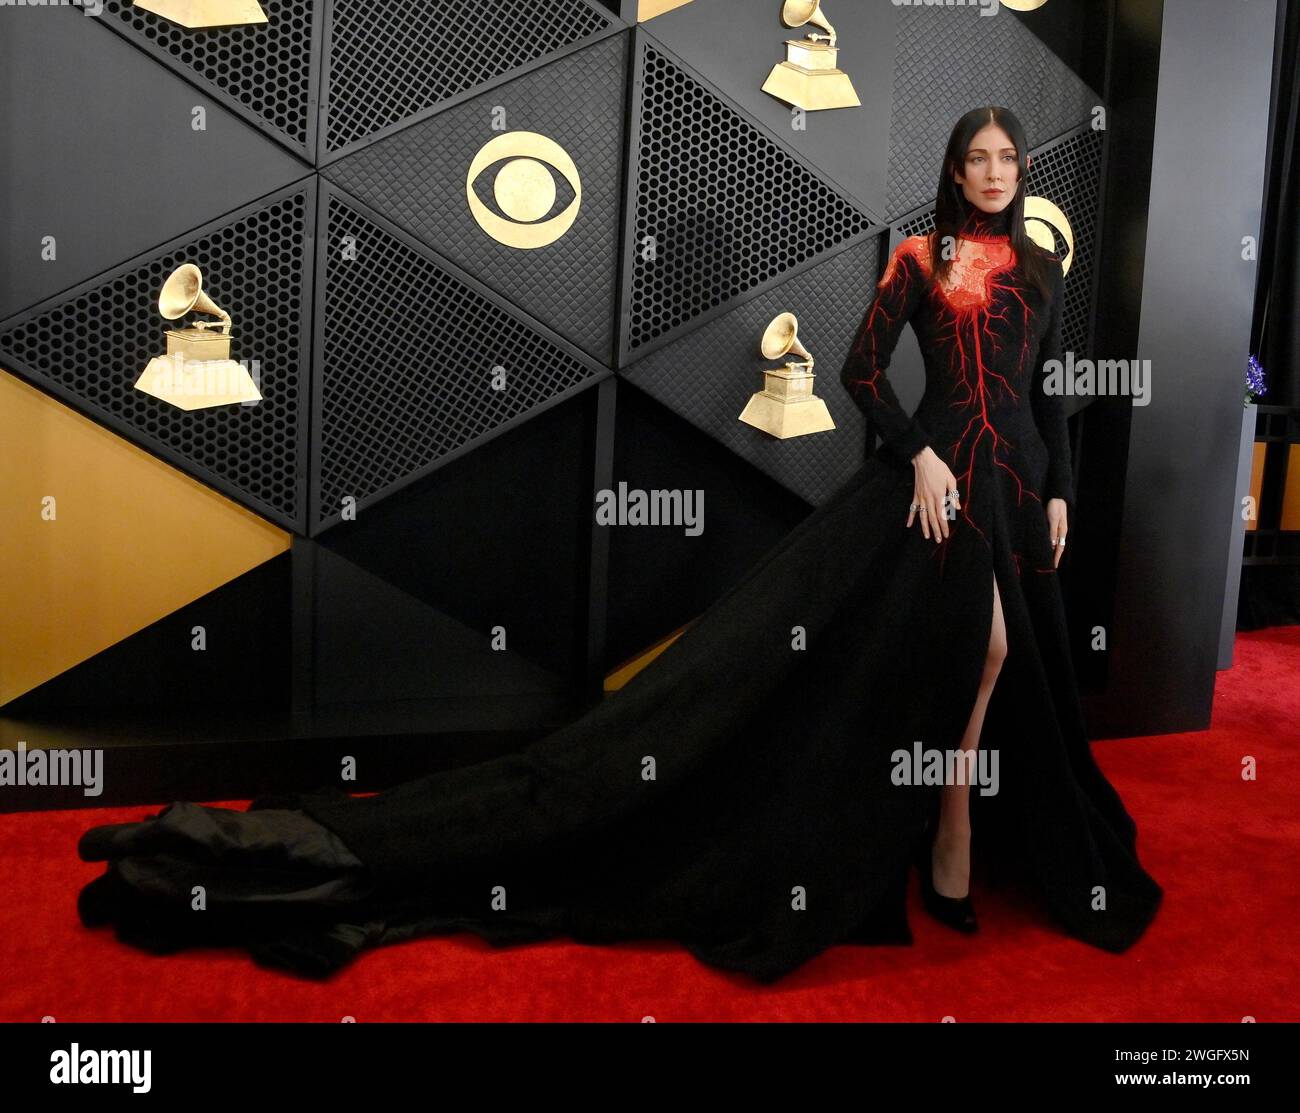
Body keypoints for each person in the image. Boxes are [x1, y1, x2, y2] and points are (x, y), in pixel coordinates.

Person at [75, 106, 1163, 985]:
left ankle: (951, 836)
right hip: (934, 489)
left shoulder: (1043, 267)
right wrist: (917, 458)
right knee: (972, 657)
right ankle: (945, 842)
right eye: (974, 157)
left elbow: (1048, 387)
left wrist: (1063, 491)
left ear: (1019, 170)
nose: (989, 170)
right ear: (952, 168)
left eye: (1004, 157)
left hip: (1019, 490)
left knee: (991, 663)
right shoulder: (917, 259)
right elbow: (862, 376)